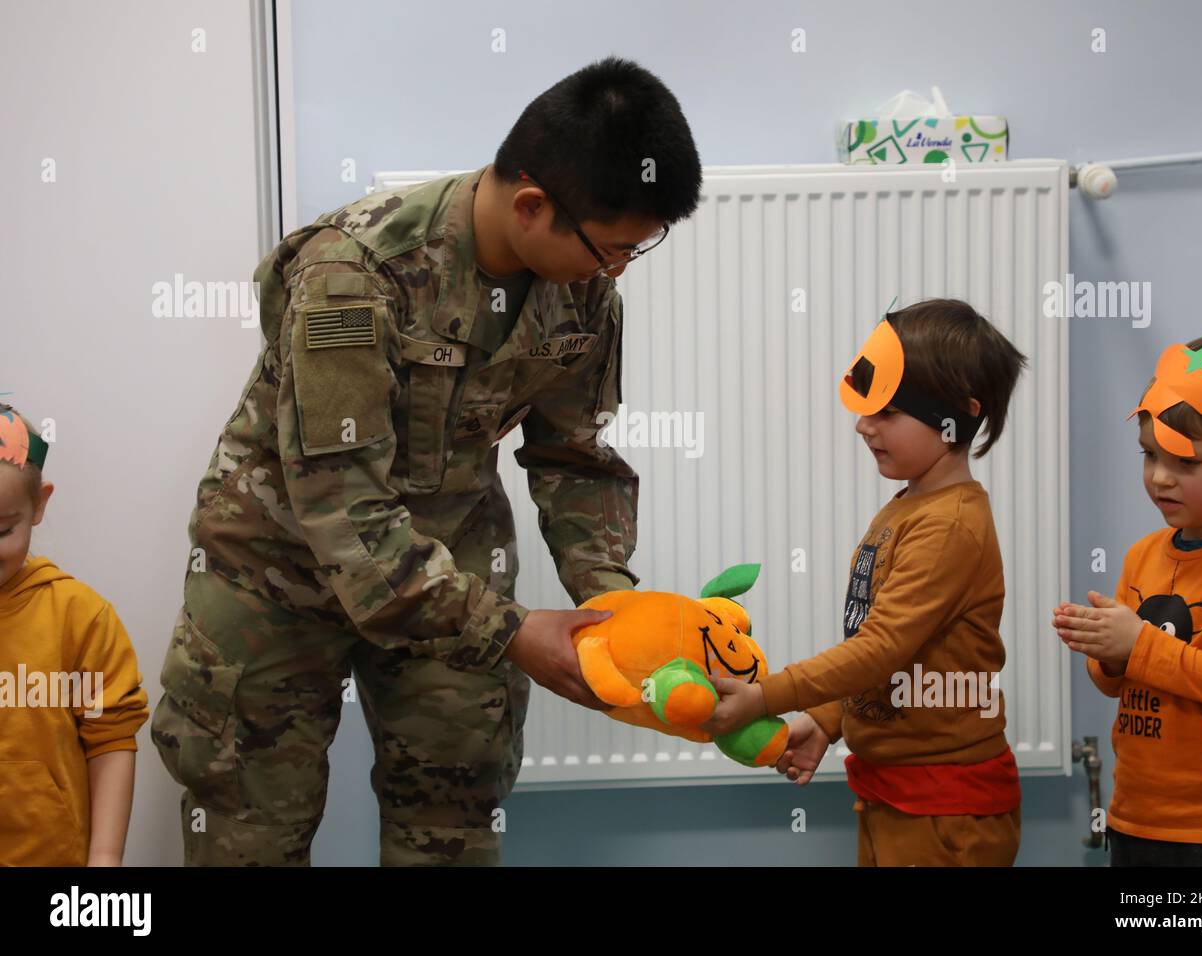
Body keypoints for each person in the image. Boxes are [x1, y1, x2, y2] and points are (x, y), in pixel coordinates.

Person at [152, 56, 702, 865]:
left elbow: (574, 457)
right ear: (531, 204)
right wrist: (513, 633)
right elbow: (347, 516)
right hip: (276, 569)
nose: (615, 269)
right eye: (610, 249)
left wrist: (611, 600)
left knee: (454, 810)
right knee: (250, 830)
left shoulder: (582, 289)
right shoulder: (355, 274)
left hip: (447, 555)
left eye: (633, 251)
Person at [704, 298, 1027, 866]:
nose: (863, 425)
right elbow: (889, 651)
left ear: (957, 416)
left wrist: (763, 696)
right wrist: (829, 720)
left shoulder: (950, 526)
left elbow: (880, 648)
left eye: (889, 413)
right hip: (893, 790)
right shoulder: (908, 508)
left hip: (945, 808)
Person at [1057, 335, 1202, 865]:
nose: (1160, 477)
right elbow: (1113, 680)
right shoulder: (1144, 554)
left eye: (1186, 463)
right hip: (1135, 814)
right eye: (1149, 454)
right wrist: (1109, 652)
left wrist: (1139, 645)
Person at [0, 402, 149, 865]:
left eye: (2, 529)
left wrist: (103, 859)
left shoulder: (79, 618)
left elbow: (112, 740)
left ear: (39, 505)